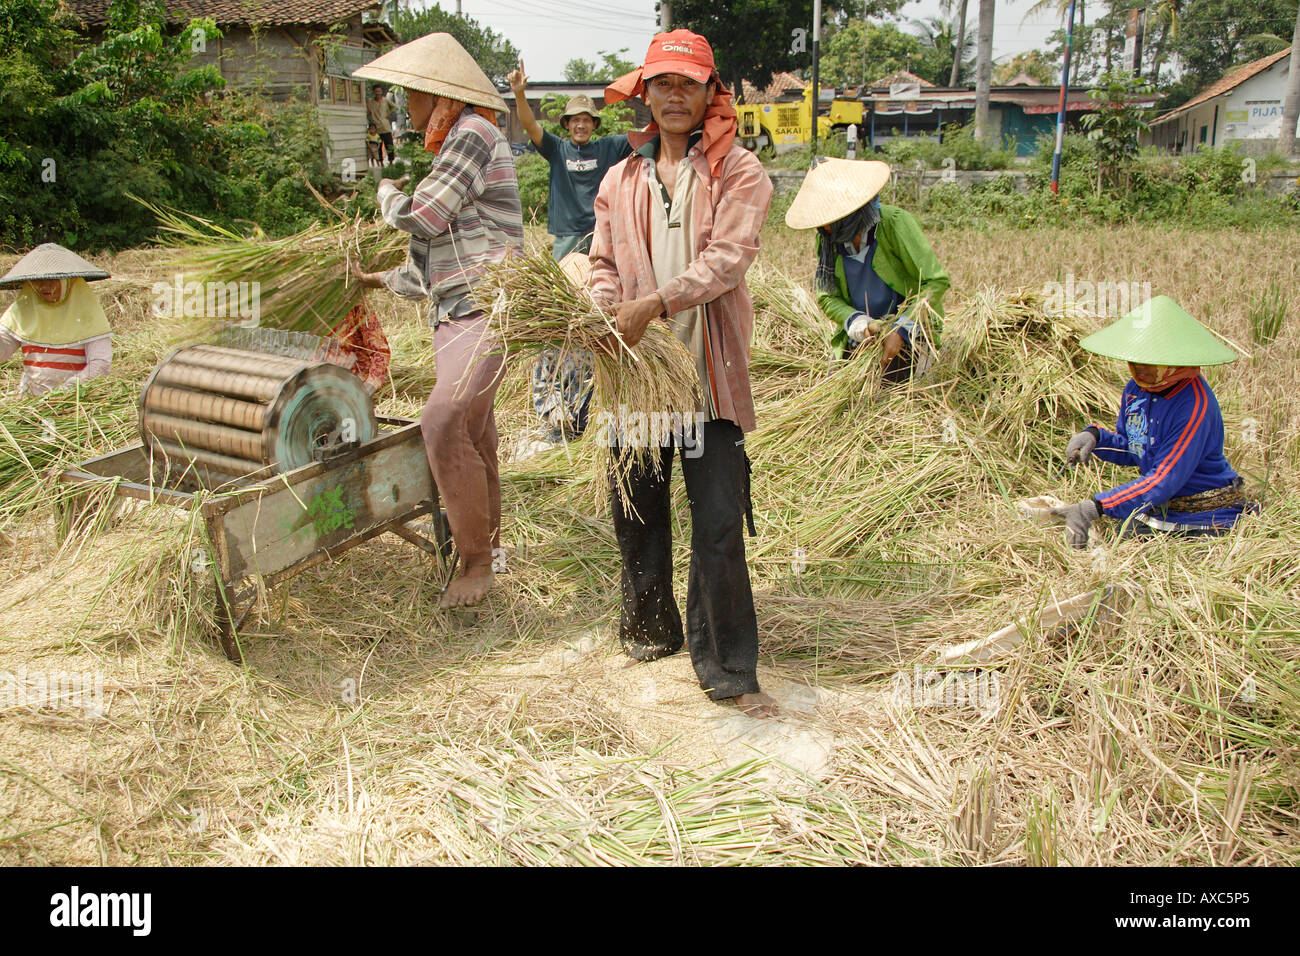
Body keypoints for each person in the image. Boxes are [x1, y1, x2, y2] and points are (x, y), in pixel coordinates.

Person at [590, 30, 778, 718]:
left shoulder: (739, 172)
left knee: (721, 520)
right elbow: (603, 263)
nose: (675, 96)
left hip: (708, 377)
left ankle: (729, 668)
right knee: (635, 507)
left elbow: (731, 256)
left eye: (688, 84)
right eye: (662, 83)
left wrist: (656, 303)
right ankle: (649, 631)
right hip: (640, 379)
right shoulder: (621, 177)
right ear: (645, 92)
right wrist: (608, 310)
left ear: (709, 95)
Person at [353, 32, 523, 608]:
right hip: (455, 310)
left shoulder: (473, 132)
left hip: (488, 305)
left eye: (409, 95)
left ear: (435, 92)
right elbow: (432, 264)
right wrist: (375, 281)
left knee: (443, 421)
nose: (405, 105)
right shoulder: (453, 142)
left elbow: (425, 216)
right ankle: (489, 554)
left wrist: (384, 197)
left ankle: (474, 564)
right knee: (474, 433)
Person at [1053, 295, 1254, 548]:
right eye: (1134, 360)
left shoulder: (1193, 407)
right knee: (1118, 540)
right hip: (1159, 504)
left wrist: (1094, 507)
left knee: (1131, 549)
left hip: (1202, 512)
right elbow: (1135, 446)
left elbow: (1163, 480)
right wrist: (1096, 439)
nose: (1139, 369)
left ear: (1175, 360)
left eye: (1149, 361)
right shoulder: (1136, 390)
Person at [507, 61, 633, 443]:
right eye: (574, 120)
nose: (580, 125)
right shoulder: (558, 150)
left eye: (586, 120)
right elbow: (529, 126)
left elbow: (646, 136)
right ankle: (553, 410)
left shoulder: (608, 148)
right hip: (564, 243)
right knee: (560, 326)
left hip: (598, 243)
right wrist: (518, 94)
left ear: (595, 124)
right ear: (566, 125)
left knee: (593, 323)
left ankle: (584, 410)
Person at [785, 157, 949, 379]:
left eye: (831, 221)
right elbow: (827, 298)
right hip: (867, 334)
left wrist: (901, 329)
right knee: (845, 396)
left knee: (902, 394)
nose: (825, 228)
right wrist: (860, 322)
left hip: (910, 330)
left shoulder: (893, 224)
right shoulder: (827, 241)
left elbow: (935, 281)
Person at [0, 243, 112, 397]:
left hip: (74, 404)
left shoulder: (87, 314)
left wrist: (62, 394)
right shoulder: (23, 311)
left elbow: (100, 365)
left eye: (53, 279)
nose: (45, 286)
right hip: (31, 404)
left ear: (67, 280)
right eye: (38, 280)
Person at [366, 85, 397, 164]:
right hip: (376, 128)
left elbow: (395, 107)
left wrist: (388, 113)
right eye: (376, 92)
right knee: (378, 147)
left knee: (389, 145)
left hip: (385, 126)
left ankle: (391, 163)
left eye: (379, 91)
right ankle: (381, 163)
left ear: (381, 92)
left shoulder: (385, 100)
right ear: (373, 92)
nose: (378, 93)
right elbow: (367, 112)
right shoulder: (370, 103)